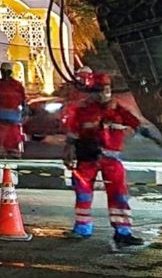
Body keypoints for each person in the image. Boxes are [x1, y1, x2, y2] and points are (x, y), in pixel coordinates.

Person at [62, 72, 146, 246]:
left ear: (110, 90)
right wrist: (68, 151)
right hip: (87, 158)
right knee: (83, 194)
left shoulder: (118, 110)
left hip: (112, 160)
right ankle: (82, 228)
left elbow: (137, 125)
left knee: (119, 196)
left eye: (105, 89)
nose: (102, 93)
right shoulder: (83, 111)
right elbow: (72, 134)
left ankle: (123, 231)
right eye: (98, 90)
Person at [0, 62, 27, 158]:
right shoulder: (17, 84)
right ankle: (13, 150)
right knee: (14, 132)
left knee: (2, 132)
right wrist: (24, 112)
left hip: (1, 113)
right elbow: (23, 100)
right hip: (14, 114)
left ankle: (2, 150)